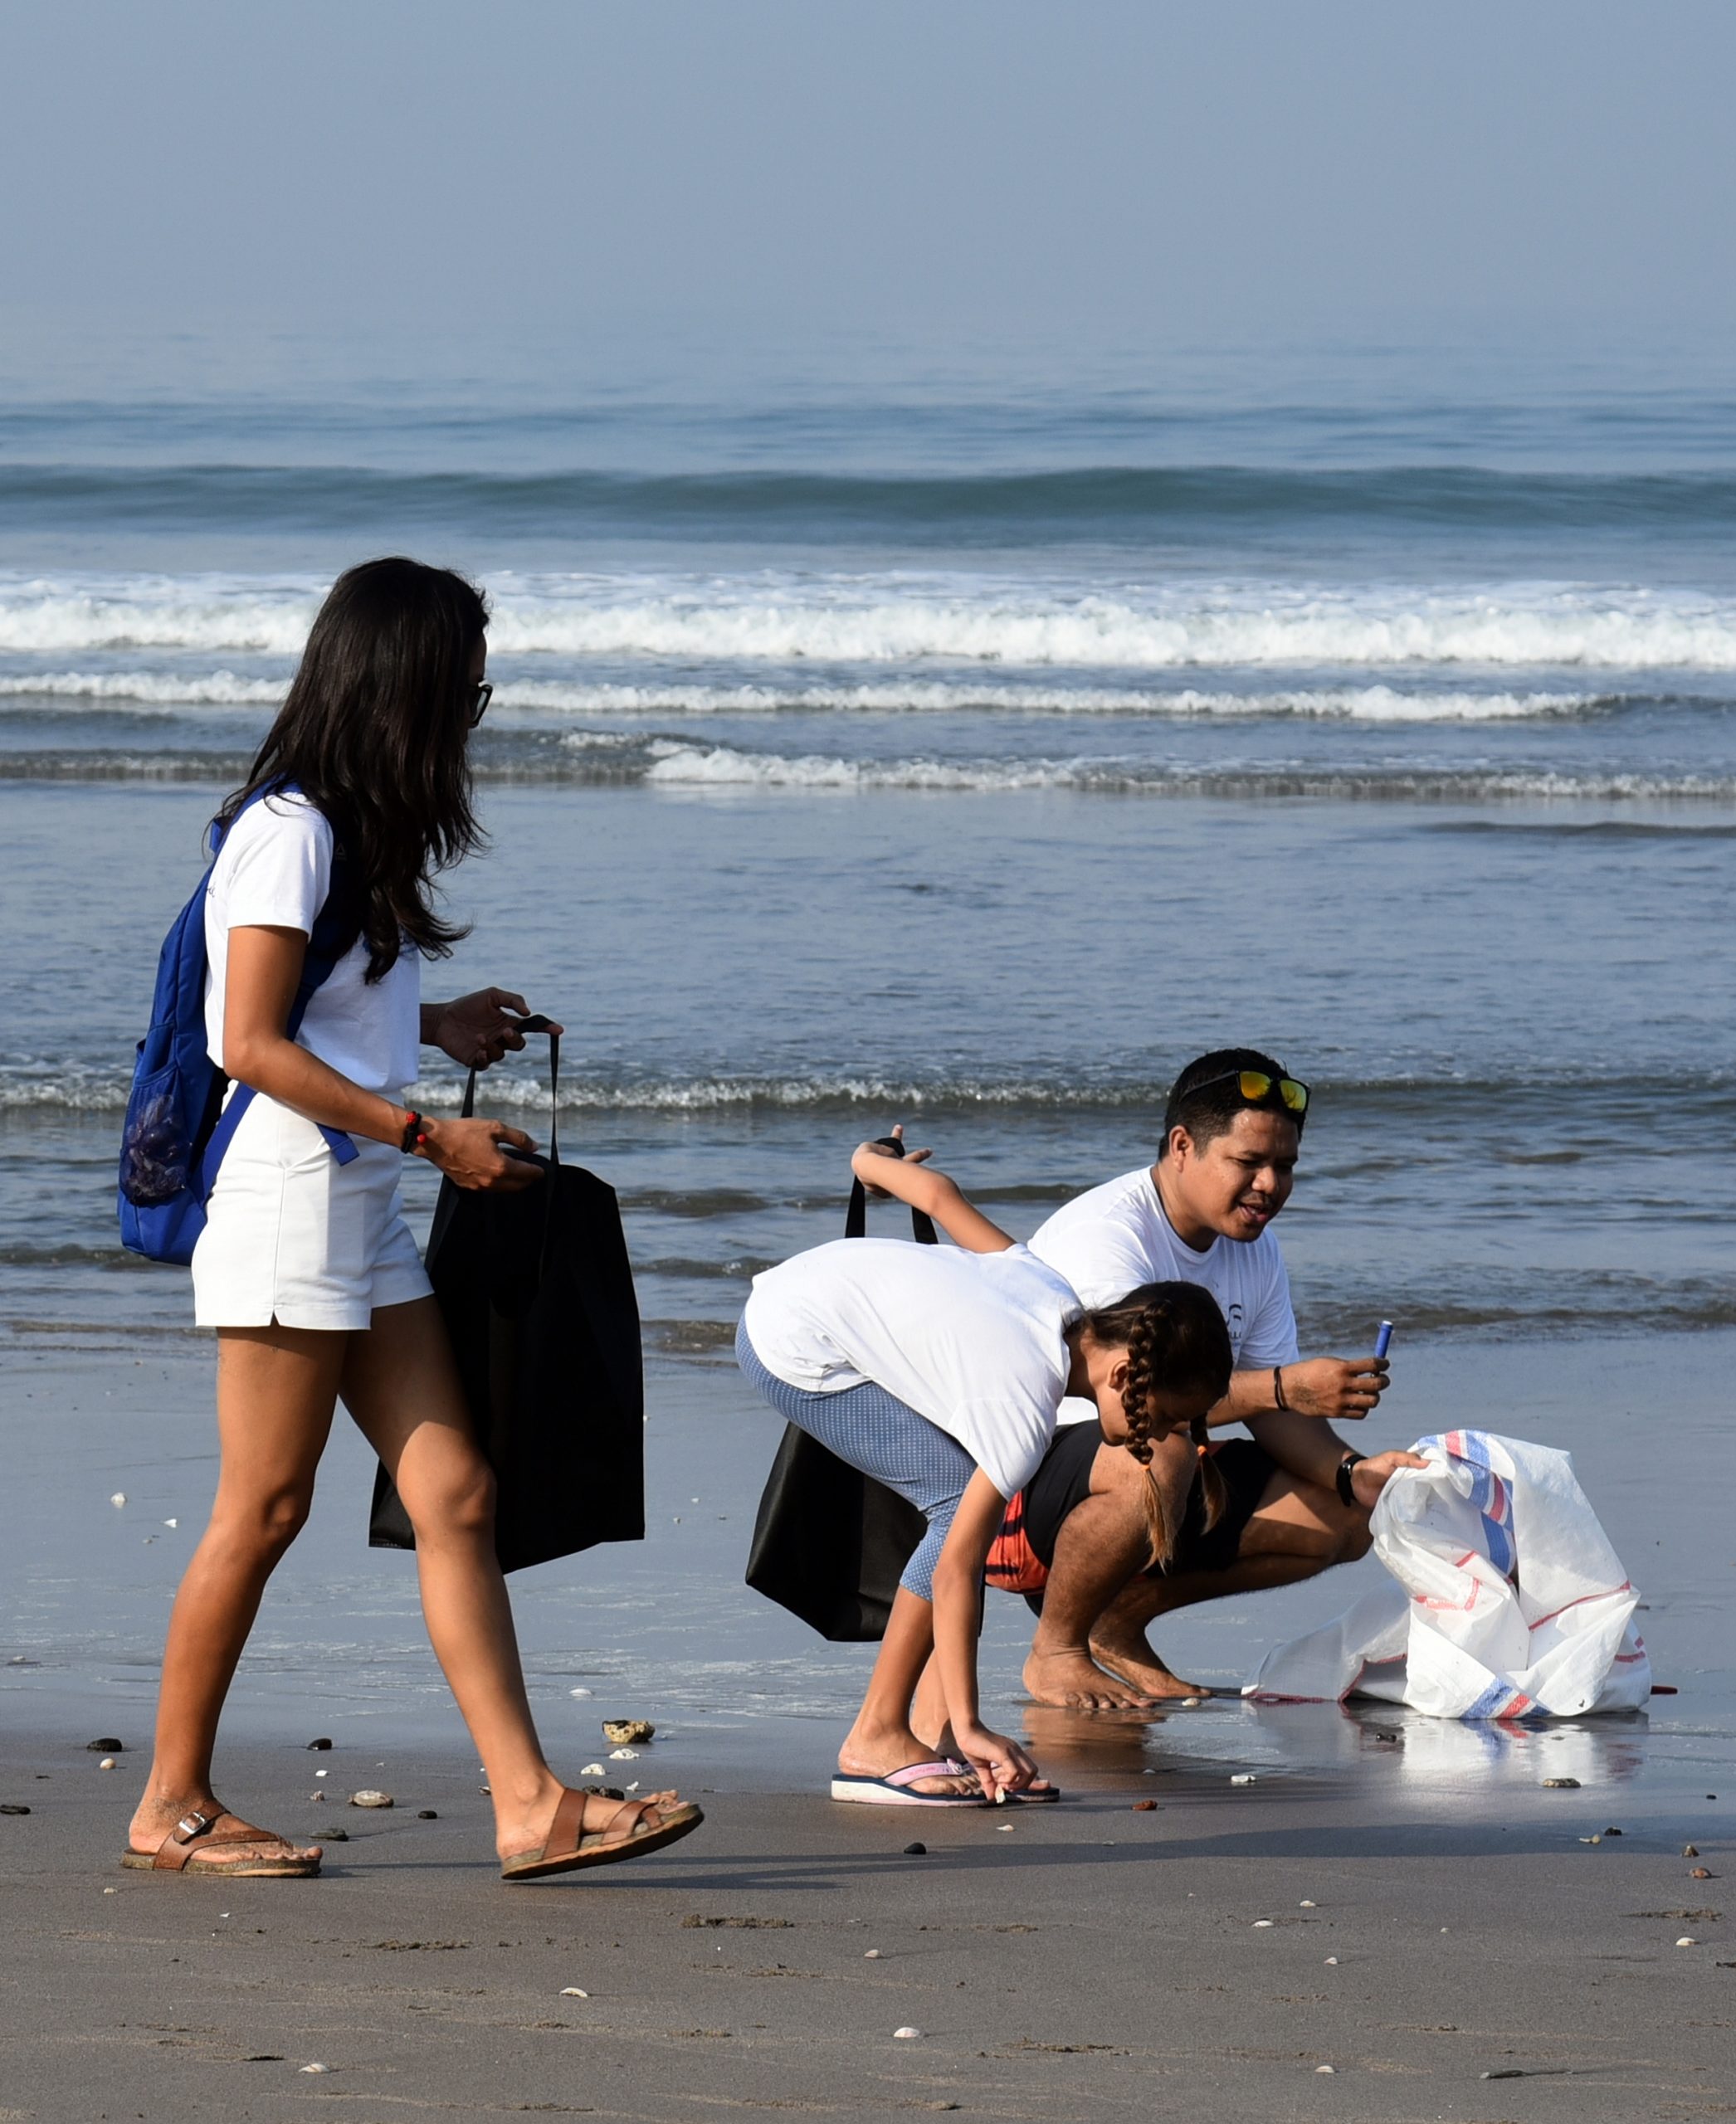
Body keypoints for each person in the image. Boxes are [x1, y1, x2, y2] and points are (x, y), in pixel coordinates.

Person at [125, 558, 700, 1883]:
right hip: (285, 1199)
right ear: (406, 685)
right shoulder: (292, 832)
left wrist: (437, 1027)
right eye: (466, 686)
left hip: (359, 1202)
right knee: (264, 1507)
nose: (472, 714)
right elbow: (251, 1042)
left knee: (456, 1491)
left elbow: (324, 1018)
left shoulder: (353, 833)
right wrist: (434, 1133)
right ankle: (171, 1805)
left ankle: (529, 1805)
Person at [736, 1133, 1232, 1805]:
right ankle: (876, 1739)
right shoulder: (1023, 1405)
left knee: (955, 1492)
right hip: (795, 1346)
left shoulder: (1050, 1290)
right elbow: (956, 1568)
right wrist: (976, 1721)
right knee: (951, 1508)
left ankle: (934, 1733)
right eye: (1171, 1418)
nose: (1171, 1436)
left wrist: (868, 1163)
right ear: (1124, 1373)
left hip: (808, 1290)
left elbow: (941, 1198)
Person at [992, 1049, 1429, 1710]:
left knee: (1352, 1518)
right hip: (1034, 1491)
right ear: (1182, 1146)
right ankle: (1056, 1649)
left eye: (1284, 1166)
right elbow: (1134, 1403)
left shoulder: (1256, 1249)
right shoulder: (1108, 1236)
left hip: (1166, 1470)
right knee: (1160, 1452)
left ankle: (1117, 1620)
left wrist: (1352, 1474)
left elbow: (1274, 1414)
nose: (1269, 1186)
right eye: (1248, 1163)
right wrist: (1284, 1386)